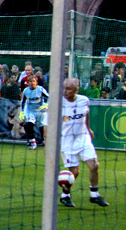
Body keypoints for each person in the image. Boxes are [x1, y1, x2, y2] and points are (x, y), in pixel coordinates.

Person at [57, 78, 109, 208]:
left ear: (76, 89)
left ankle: (94, 195)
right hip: (67, 141)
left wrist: (88, 128)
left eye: (68, 89)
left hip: (83, 137)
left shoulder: (84, 100)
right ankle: (65, 195)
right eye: (64, 88)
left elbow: (86, 114)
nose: (65, 91)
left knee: (94, 165)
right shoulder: (58, 103)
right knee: (74, 172)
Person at [20, 76, 48, 150]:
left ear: (36, 82)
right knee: (28, 125)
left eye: (33, 81)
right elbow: (22, 102)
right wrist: (22, 113)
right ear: (28, 83)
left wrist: (46, 106)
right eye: (30, 81)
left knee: (42, 127)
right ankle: (33, 144)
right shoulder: (26, 91)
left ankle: (44, 141)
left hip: (40, 111)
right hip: (30, 111)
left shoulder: (40, 89)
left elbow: (49, 97)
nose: (32, 83)